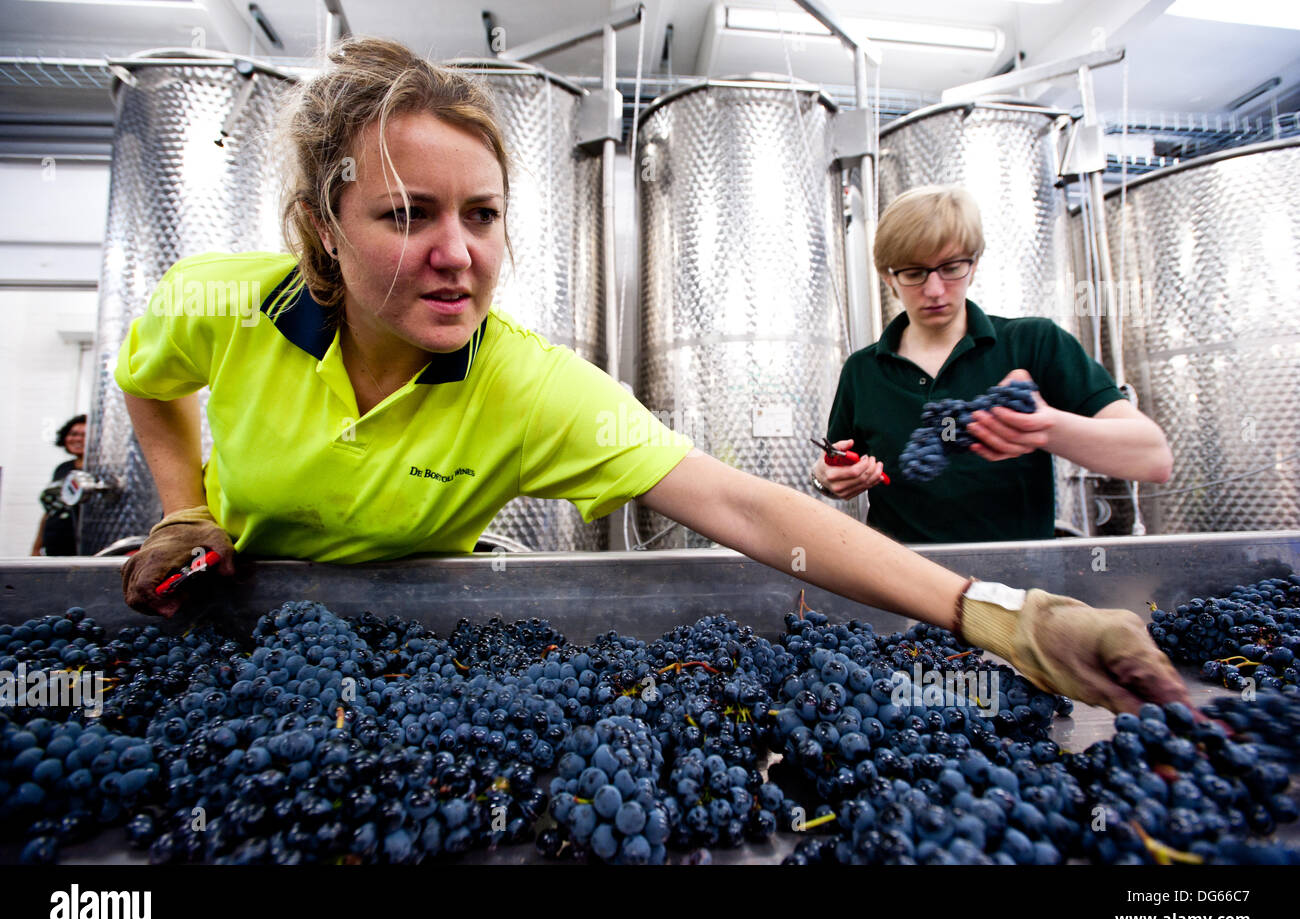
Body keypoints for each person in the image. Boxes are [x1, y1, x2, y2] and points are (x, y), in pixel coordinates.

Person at [114, 38, 1184, 714]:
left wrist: (1002, 615)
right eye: (407, 215)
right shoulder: (219, 299)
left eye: (481, 215)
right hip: (246, 628)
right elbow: (151, 381)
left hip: (413, 656)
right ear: (320, 229)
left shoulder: (526, 387)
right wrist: (180, 510)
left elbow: (746, 507)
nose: (458, 253)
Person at [814, 185, 1172, 544]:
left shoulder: (1034, 343)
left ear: (975, 264)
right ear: (889, 276)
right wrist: (826, 479)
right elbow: (837, 464)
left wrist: (1047, 428)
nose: (935, 290)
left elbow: (1153, 458)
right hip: (904, 585)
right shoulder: (863, 371)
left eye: (952, 268)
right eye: (914, 273)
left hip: (1019, 590)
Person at [31, 414, 87, 556]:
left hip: (83, 548)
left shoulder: (101, 469)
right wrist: (36, 547)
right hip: (54, 545)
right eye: (73, 434)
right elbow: (50, 511)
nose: (77, 439)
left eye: (84, 435)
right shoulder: (63, 468)